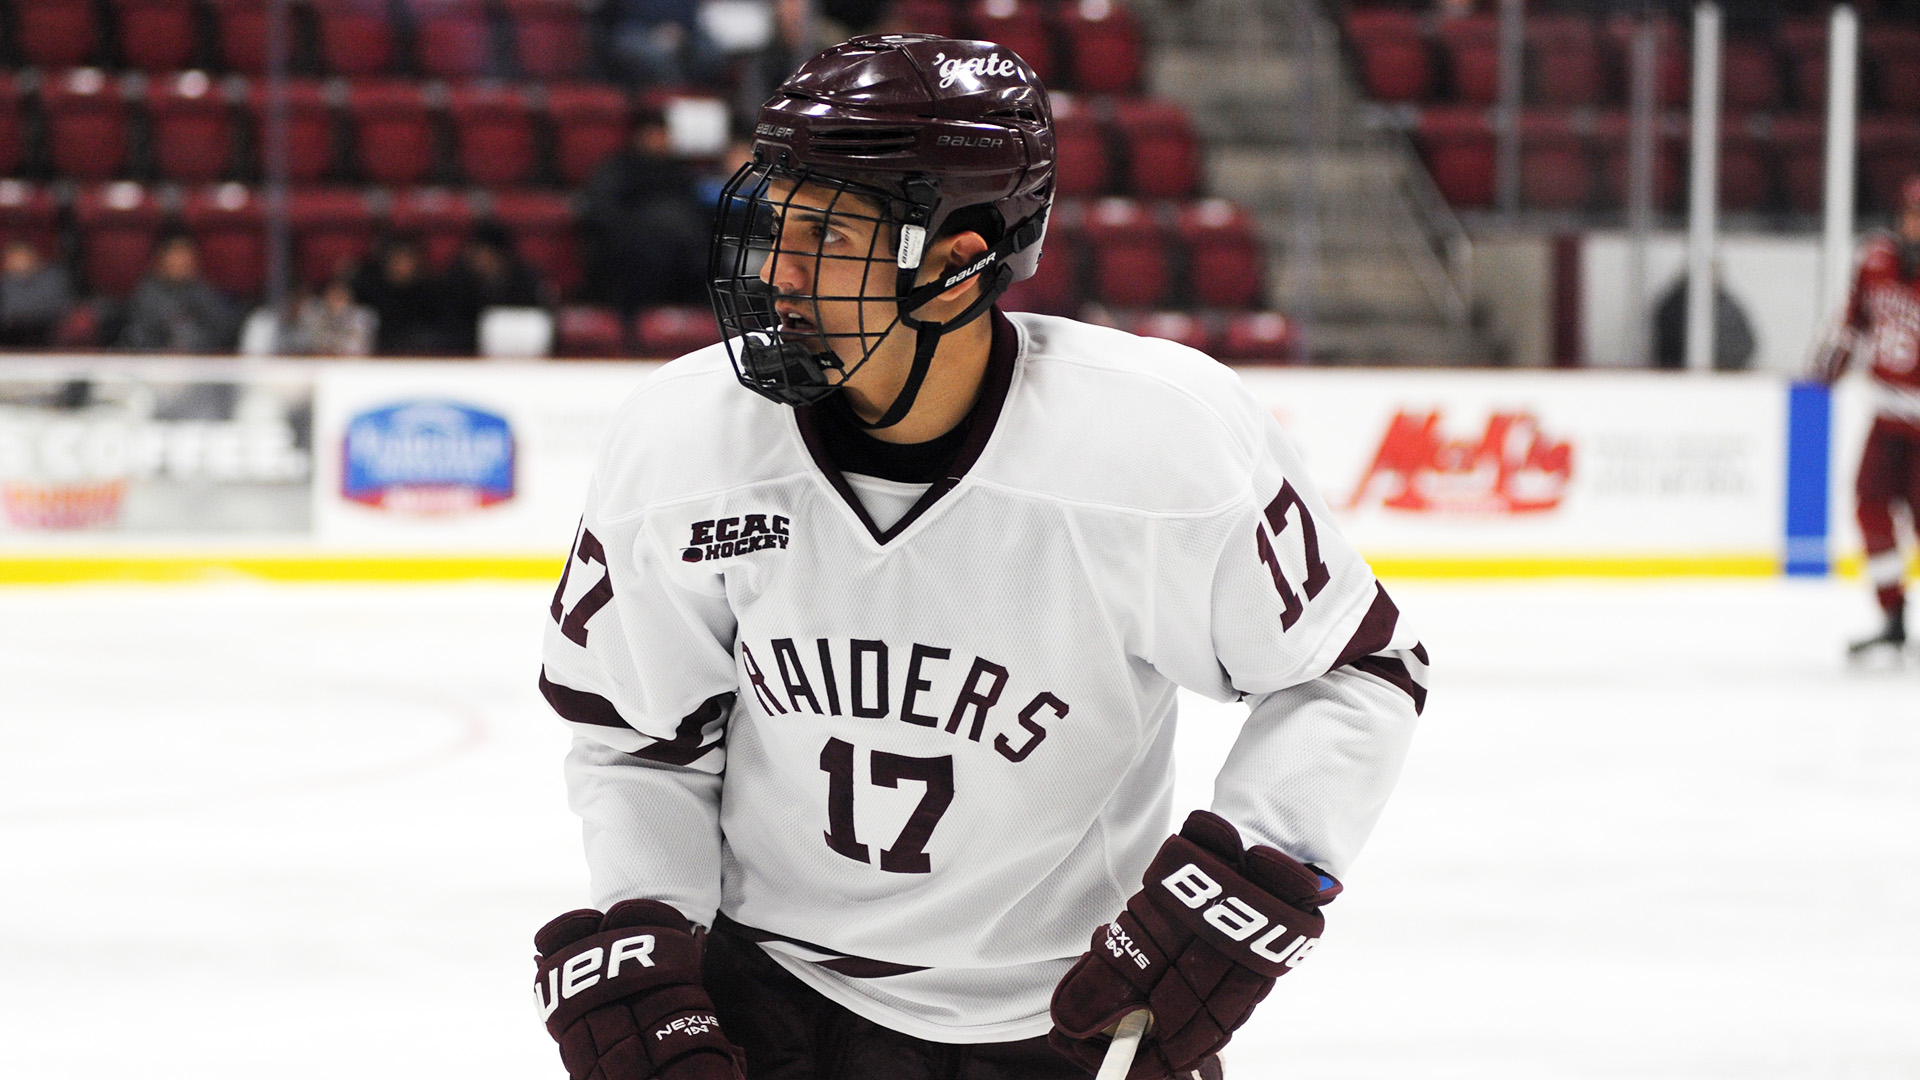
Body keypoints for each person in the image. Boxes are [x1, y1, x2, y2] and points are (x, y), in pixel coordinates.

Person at [532, 36, 1426, 1080]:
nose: (776, 270)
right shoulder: (682, 441)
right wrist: (649, 930)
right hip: (770, 1010)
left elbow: (1351, 671)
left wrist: (1255, 870)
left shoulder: (1156, 444)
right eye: (778, 220)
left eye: (827, 237)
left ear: (956, 265)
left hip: (1084, 1016)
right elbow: (642, 736)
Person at [1815, 174, 1920, 658]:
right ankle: (1892, 616)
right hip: (1887, 418)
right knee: (1870, 510)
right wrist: (1832, 362)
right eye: (1913, 215)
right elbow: (1854, 322)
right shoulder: (1876, 258)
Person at [582, 111, 711, 313]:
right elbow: (604, 214)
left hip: (682, 256)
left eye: (663, 134)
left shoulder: (680, 173)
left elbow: (695, 218)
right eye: (653, 134)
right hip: (633, 257)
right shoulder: (619, 170)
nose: (659, 140)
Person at [117, 232, 239, 353]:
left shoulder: (204, 291)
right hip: (156, 362)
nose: (180, 262)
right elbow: (141, 334)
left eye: (184, 256)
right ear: (162, 260)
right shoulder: (147, 294)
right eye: (175, 256)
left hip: (199, 361)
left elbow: (221, 330)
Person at [439, 222, 545, 355]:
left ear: (501, 255)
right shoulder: (457, 281)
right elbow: (451, 327)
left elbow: (536, 321)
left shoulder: (525, 280)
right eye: (477, 253)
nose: (481, 260)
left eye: (487, 253)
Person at [351, 237, 449, 356]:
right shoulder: (369, 289)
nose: (401, 265)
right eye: (397, 260)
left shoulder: (430, 292)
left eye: (406, 259)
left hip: (418, 357)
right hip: (375, 358)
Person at [1653, 264, 1758, 371]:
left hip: (1720, 375)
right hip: (1678, 375)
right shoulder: (1674, 307)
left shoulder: (1727, 305)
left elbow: (1747, 343)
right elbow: (1668, 346)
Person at [0, 238, 74, 347]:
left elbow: (59, 308)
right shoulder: (4, 283)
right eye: (14, 258)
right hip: (9, 335)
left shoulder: (52, 279)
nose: (19, 262)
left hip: (46, 331)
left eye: (22, 256)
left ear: (33, 257)